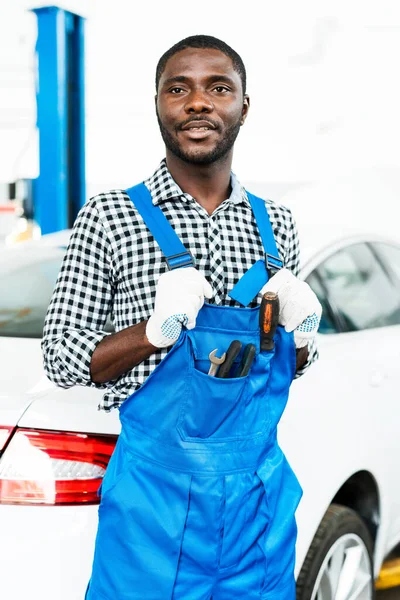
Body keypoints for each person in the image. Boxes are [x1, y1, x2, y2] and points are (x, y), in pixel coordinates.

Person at [42, 35, 321, 600]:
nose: (198, 103)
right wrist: (151, 332)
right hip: (153, 512)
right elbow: (61, 357)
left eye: (219, 88)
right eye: (179, 89)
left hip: (258, 511)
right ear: (159, 106)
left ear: (244, 105)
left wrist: (306, 340)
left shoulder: (278, 225)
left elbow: (277, 367)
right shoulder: (111, 215)